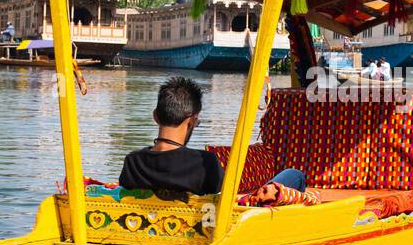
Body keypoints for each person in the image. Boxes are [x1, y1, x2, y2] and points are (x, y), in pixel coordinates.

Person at [119, 76, 306, 194]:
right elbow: (225, 203)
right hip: (205, 233)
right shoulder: (204, 162)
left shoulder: (133, 163)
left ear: (155, 116)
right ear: (191, 121)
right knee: (294, 175)